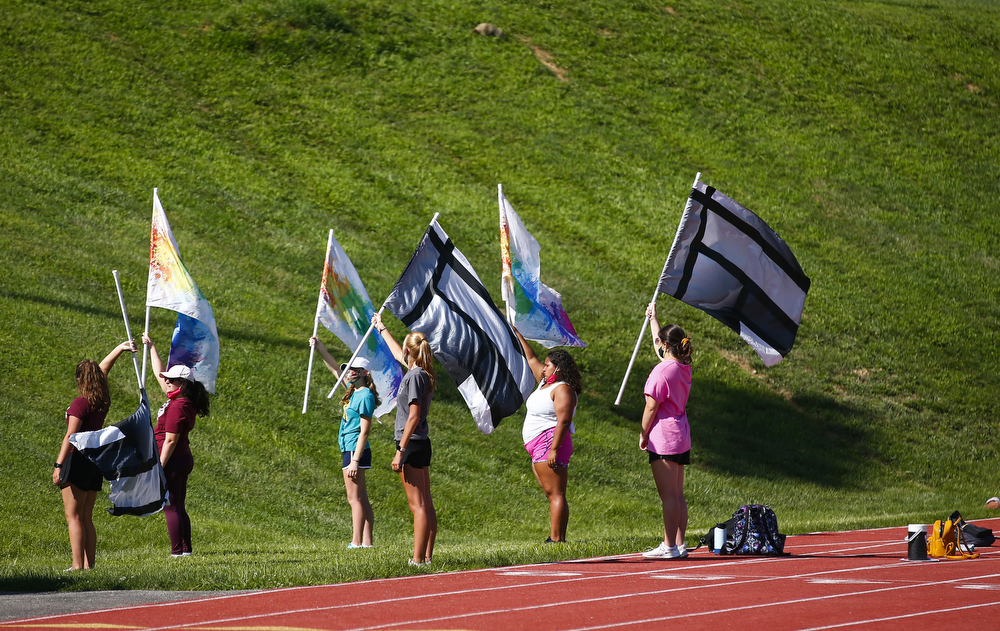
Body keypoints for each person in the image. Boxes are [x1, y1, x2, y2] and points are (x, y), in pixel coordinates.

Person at [53, 340, 136, 570]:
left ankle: (77, 566)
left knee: (74, 516)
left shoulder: (81, 403)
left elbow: (71, 436)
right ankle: (90, 566)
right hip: (95, 461)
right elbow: (104, 370)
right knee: (87, 517)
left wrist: (58, 465)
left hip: (77, 460)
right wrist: (120, 348)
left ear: (80, 380)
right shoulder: (102, 400)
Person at [371, 313, 437, 566]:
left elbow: (413, 415)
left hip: (410, 442)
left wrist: (400, 449)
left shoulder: (413, 377)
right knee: (426, 503)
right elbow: (399, 353)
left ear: (411, 352)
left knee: (417, 505)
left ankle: (417, 559)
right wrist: (381, 328)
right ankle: (427, 556)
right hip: (422, 441)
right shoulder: (422, 372)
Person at [143, 333, 210, 558]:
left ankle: (177, 552)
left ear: (183, 384)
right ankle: (185, 550)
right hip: (179, 458)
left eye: (171, 379)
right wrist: (152, 347)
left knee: (171, 506)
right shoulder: (179, 399)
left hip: (171, 459)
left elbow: (170, 439)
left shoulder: (179, 406)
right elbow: (158, 375)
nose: (167, 381)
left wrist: (160, 466)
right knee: (178, 505)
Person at [310, 336, 378, 549]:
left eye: (355, 369)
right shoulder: (354, 391)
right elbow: (335, 371)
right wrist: (319, 347)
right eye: (350, 369)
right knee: (362, 498)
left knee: (354, 499)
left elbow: (365, 431)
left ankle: (356, 542)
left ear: (365, 373)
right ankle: (367, 542)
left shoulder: (365, 394)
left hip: (354, 450)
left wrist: (355, 460)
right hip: (350, 448)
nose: (350, 371)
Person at [515, 329, 580, 544]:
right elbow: (530, 357)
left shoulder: (563, 389)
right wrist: (516, 332)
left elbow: (563, 420)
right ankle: (557, 537)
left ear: (558, 369)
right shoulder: (545, 383)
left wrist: (553, 448)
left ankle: (556, 539)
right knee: (551, 493)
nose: (543, 368)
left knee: (556, 493)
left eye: (548, 365)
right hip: (537, 443)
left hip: (549, 441)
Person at [640, 302, 693, 559]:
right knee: (678, 494)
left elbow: (651, 407)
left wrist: (642, 433)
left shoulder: (662, 370)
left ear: (665, 345)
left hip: (664, 438)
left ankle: (669, 545)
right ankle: (679, 544)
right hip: (681, 435)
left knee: (668, 496)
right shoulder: (682, 366)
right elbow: (659, 346)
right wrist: (654, 320)